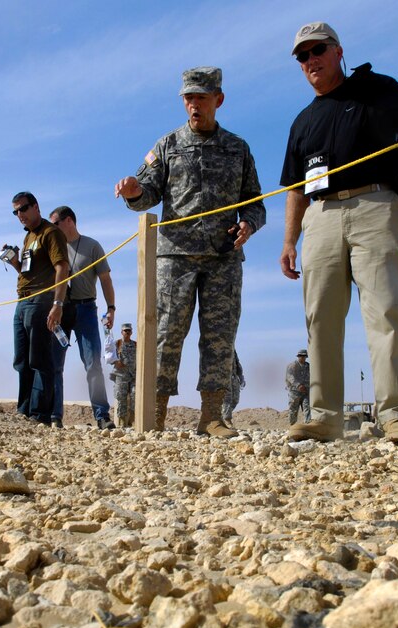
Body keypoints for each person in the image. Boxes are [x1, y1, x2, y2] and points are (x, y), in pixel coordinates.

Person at [279, 22, 398, 446]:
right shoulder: (302, 121)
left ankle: (395, 418)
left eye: (318, 50)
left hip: (375, 205)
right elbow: (295, 188)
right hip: (320, 217)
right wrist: (288, 240)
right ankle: (326, 417)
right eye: (303, 56)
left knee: (387, 309)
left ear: (338, 51)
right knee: (320, 319)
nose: (310, 60)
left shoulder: (378, 89)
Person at [115, 66, 266, 438]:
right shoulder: (167, 146)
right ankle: (155, 414)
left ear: (219, 99)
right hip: (175, 258)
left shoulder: (238, 148)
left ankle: (212, 416)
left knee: (219, 336)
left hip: (223, 258)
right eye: (188, 97)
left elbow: (256, 204)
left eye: (201, 96)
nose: (194, 104)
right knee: (166, 334)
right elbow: (145, 194)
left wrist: (248, 223)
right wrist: (134, 191)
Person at [3, 192, 69, 425]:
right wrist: (14, 263)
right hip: (23, 301)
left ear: (36, 207)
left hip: (41, 301)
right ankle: (25, 411)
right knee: (22, 360)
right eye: (16, 211)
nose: (20, 214)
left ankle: (40, 415)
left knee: (40, 359)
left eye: (23, 208)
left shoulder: (51, 233)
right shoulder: (29, 237)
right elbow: (27, 272)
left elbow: (62, 268)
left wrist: (57, 304)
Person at [48, 206, 116, 429]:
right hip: (60, 310)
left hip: (86, 309)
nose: (52, 228)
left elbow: (106, 279)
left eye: (55, 224)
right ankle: (55, 416)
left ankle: (101, 415)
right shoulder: (52, 248)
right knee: (55, 364)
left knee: (93, 363)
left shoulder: (92, 246)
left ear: (69, 221)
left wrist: (111, 308)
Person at [111, 322, 137, 427]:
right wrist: (116, 361)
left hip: (133, 375)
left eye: (129, 330)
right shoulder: (117, 344)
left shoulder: (135, 344)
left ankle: (132, 420)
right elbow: (108, 356)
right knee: (121, 397)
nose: (127, 332)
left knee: (135, 395)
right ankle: (122, 420)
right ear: (122, 332)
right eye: (125, 330)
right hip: (121, 375)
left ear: (131, 332)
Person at [286, 349, 312, 425]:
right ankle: (293, 427)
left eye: (304, 356)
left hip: (305, 392)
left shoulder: (308, 366)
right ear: (298, 356)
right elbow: (290, 376)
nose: (302, 357)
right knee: (293, 410)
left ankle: (308, 426)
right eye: (300, 356)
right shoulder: (293, 365)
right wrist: (298, 385)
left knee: (307, 408)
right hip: (295, 392)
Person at [222, 352, 244, 426]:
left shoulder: (232, 348)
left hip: (234, 377)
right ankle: (226, 419)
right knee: (227, 400)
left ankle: (223, 416)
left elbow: (237, 362)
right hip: (224, 377)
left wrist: (241, 376)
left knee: (235, 400)